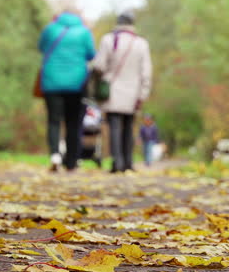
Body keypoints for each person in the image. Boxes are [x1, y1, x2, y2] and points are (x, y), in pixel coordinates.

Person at [92, 11, 152, 173]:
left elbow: (99, 66)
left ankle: (116, 161)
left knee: (114, 128)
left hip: (113, 91)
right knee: (128, 127)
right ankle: (128, 162)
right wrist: (143, 94)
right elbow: (146, 72)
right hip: (133, 93)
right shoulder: (141, 44)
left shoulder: (108, 40)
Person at [38, 10, 95, 172]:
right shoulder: (84, 32)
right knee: (73, 123)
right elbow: (91, 55)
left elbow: (41, 47)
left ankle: (55, 155)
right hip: (77, 83)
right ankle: (71, 161)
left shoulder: (50, 29)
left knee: (54, 120)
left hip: (51, 82)